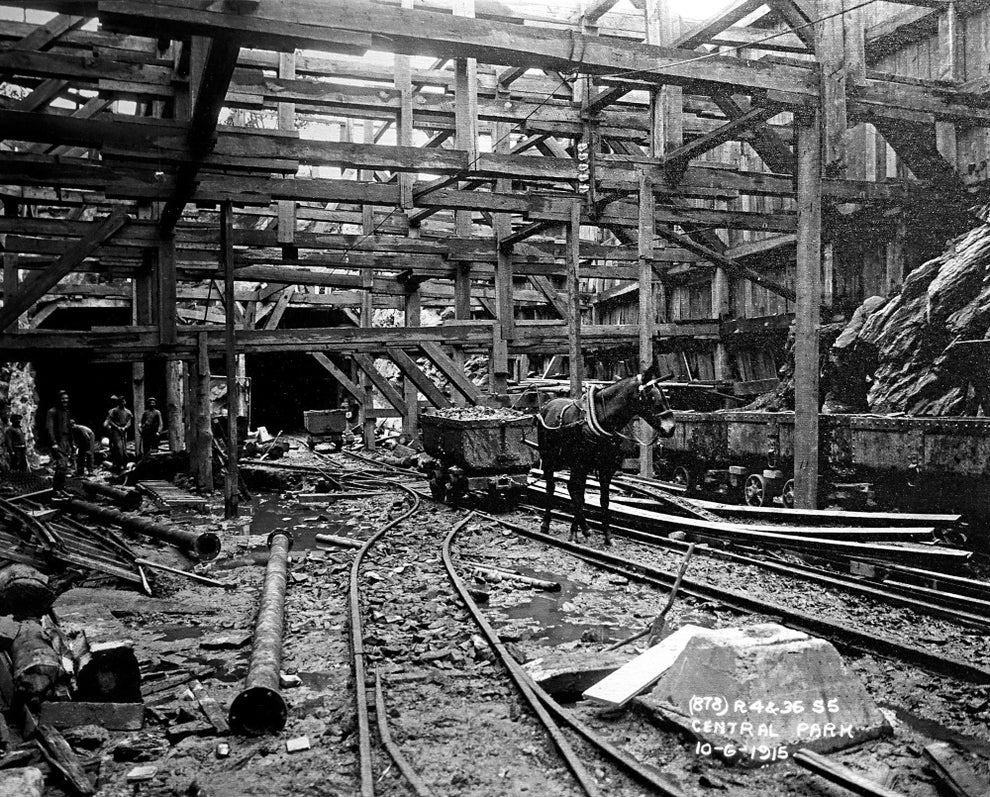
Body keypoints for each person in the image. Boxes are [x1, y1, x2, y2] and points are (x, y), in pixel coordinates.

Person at [45, 391, 74, 482]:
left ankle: (61, 486)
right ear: (58, 400)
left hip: (66, 440)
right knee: (61, 464)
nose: (65, 400)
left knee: (64, 464)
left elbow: (69, 428)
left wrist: (72, 443)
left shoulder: (66, 412)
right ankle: (57, 488)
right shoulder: (52, 412)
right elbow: (49, 428)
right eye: (62, 399)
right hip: (58, 440)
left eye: (66, 398)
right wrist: (53, 442)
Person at [104, 395, 133, 472]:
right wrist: (117, 427)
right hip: (116, 430)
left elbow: (129, 421)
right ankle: (117, 464)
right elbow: (109, 421)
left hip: (124, 430)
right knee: (118, 447)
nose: (123, 403)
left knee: (124, 448)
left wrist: (125, 427)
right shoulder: (114, 411)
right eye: (121, 402)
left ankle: (124, 464)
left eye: (124, 401)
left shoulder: (128, 411)